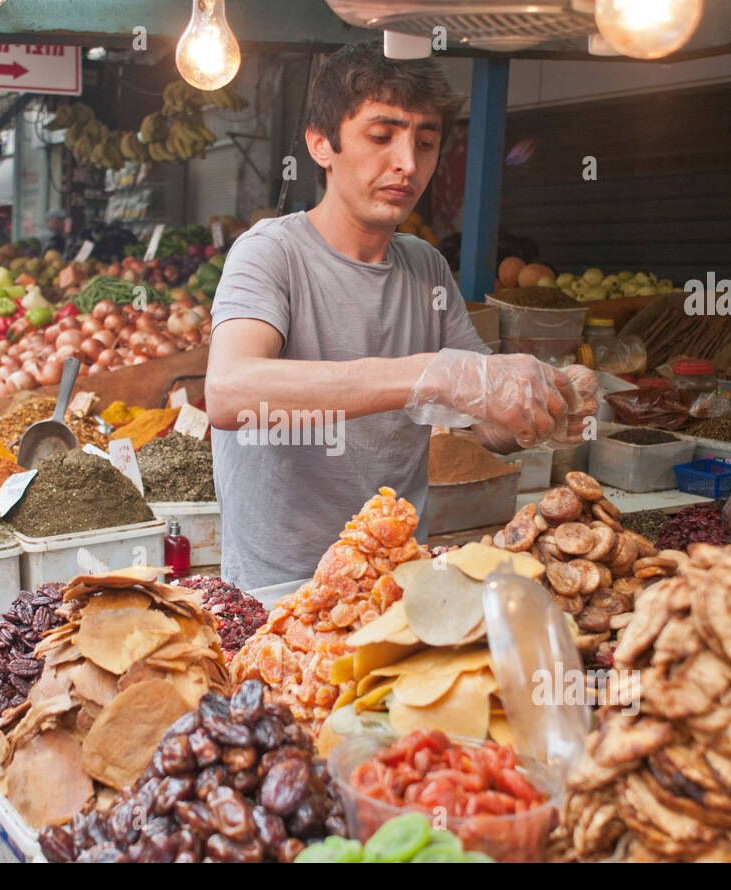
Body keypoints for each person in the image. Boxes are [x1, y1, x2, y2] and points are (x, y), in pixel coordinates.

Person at [205, 43, 598, 590]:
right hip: (281, 590)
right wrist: (431, 373)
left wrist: (541, 405)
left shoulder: (426, 268)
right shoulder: (271, 253)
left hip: (399, 581)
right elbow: (230, 392)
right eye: (381, 136)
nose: (408, 164)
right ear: (321, 143)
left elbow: (481, 423)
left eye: (426, 142)